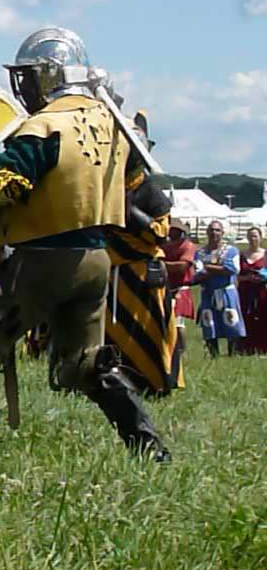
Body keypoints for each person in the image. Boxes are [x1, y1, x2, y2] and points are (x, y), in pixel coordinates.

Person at [0, 26, 169, 461]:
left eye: (28, 77)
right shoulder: (110, 123)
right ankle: (148, 448)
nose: (23, 86)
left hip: (43, 258)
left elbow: (4, 187)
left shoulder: (45, 125)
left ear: (48, 74)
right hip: (96, 260)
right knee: (84, 363)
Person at [103, 112, 183, 395]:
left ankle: (155, 381)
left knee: (149, 331)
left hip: (143, 272)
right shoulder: (107, 188)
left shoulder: (148, 188)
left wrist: (132, 213)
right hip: (113, 273)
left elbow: (160, 232)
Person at [194, 220, 245, 357]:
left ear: (222, 233)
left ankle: (232, 354)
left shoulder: (231, 251)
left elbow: (232, 269)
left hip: (226, 291)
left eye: (217, 230)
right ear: (207, 232)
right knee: (209, 321)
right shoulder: (200, 252)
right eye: (211, 230)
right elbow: (198, 272)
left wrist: (208, 267)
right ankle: (214, 355)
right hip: (208, 292)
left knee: (231, 321)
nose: (214, 233)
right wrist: (218, 268)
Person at [163, 219, 199, 349]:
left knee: (178, 323)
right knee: (167, 322)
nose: (172, 232)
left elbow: (182, 267)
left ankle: (181, 349)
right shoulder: (165, 246)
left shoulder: (188, 246)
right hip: (167, 287)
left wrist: (161, 265)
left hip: (180, 289)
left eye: (175, 230)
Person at [237, 226, 267, 355]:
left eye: (255, 236)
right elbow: (235, 275)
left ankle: (262, 348)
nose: (253, 238)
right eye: (250, 236)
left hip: (262, 290)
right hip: (245, 290)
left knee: (262, 317)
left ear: (260, 237)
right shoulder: (241, 255)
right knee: (245, 318)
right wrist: (247, 277)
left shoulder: (266, 254)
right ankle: (245, 348)